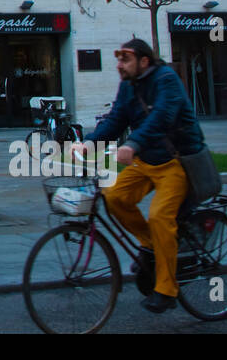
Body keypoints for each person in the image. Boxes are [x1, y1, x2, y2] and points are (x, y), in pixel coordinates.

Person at [78, 38, 206, 314]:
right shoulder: (128, 84)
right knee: (114, 196)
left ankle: (167, 290)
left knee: (160, 216)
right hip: (147, 161)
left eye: (125, 59)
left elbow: (162, 116)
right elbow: (116, 119)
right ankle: (151, 246)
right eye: (119, 59)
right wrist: (90, 142)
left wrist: (133, 144)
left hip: (176, 161)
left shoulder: (166, 79)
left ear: (144, 61)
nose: (119, 65)